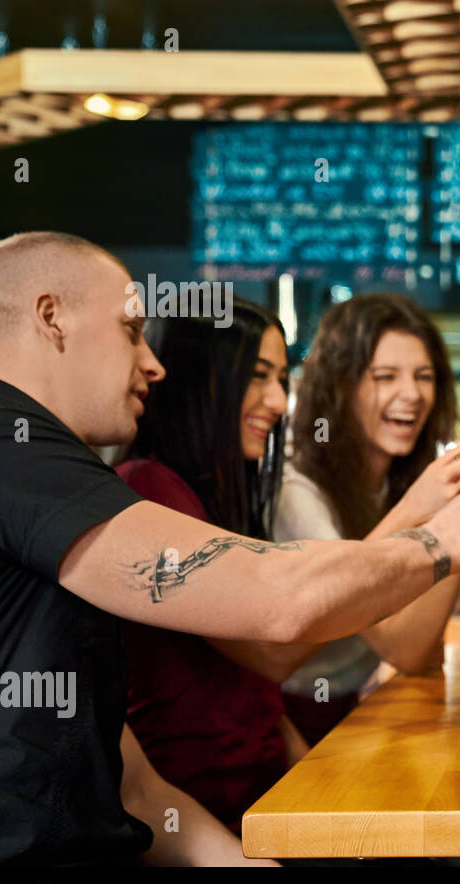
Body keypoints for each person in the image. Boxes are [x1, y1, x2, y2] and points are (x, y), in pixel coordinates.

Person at [0, 232, 460, 865]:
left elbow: (133, 788)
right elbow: (277, 604)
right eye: (131, 330)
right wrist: (448, 538)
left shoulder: (47, 473)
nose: (152, 362)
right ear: (51, 317)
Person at [117, 300, 313, 833]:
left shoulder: (214, 499)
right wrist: (429, 534)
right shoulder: (148, 488)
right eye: (256, 376)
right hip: (199, 822)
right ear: (197, 379)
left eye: (282, 378)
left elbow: (260, 704)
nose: (278, 400)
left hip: (255, 808)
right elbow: (272, 650)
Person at [275, 293, 460, 742]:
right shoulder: (296, 487)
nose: (412, 394)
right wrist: (435, 520)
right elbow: (395, 641)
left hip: (361, 703)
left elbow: (418, 653)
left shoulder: (400, 481)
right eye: (385, 377)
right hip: (293, 715)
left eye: (425, 377)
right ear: (340, 386)